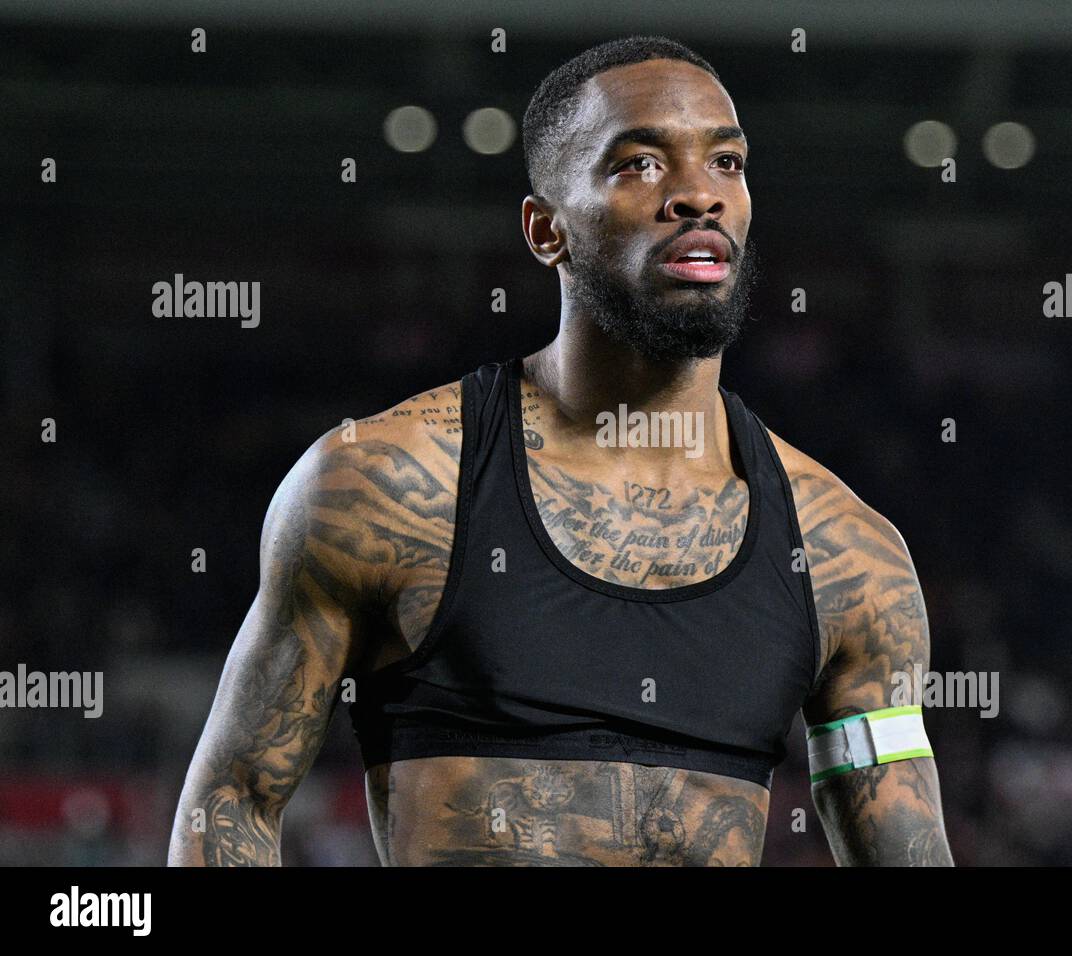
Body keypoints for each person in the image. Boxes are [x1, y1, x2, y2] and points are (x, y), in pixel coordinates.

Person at [168, 35, 953, 867]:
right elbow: (231, 805)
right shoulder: (381, 486)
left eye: (727, 162)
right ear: (547, 230)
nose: (699, 194)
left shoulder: (849, 558)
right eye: (640, 164)